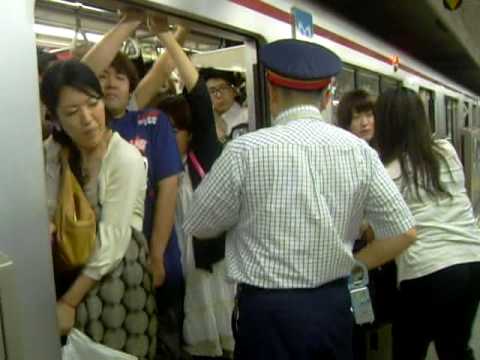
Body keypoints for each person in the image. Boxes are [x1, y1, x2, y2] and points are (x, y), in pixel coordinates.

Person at [184, 38, 417, 360]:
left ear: (272, 92)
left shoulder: (243, 151)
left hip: (265, 312)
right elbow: (404, 231)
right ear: (326, 96)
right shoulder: (359, 152)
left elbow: (198, 224)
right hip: (332, 306)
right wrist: (353, 265)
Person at [82, 12, 186, 358]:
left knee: (162, 340)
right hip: (96, 261)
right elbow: (77, 74)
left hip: (153, 255)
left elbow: (168, 188)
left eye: (120, 77)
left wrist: (156, 255)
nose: (111, 83)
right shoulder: (82, 133)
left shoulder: (150, 122)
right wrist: (127, 22)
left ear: (130, 85)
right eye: (101, 76)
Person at [41, 60, 158, 359]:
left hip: (116, 280)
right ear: (54, 117)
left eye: (93, 104)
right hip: (70, 270)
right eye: (71, 112)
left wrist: (68, 303)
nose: (88, 119)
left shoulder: (124, 158)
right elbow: (47, 209)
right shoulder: (54, 152)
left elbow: (113, 241)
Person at [375, 88, 480, 360]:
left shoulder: (390, 172)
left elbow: (384, 228)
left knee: (408, 349)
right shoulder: (446, 150)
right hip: (471, 261)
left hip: (428, 270)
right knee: (456, 349)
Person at [155, 23, 234, 359]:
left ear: (190, 132)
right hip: (170, 272)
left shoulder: (203, 160)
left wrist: (167, 37)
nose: (166, 138)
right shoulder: (153, 169)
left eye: (173, 130)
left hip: (207, 272)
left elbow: (199, 96)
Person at [337, 88, 397, 360]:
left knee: (381, 319)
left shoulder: (386, 155)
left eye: (369, 115)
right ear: (345, 124)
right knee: (358, 323)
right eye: (356, 117)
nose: (364, 123)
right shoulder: (341, 159)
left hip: (383, 257)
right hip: (356, 256)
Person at [201, 68, 249, 143]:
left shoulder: (248, 117)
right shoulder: (204, 121)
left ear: (234, 90)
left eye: (223, 88)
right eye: (212, 91)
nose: (218, 95)